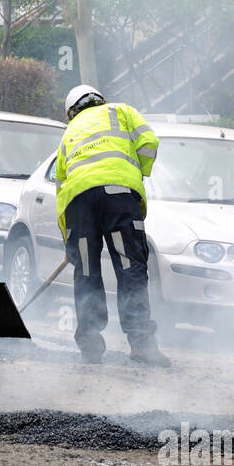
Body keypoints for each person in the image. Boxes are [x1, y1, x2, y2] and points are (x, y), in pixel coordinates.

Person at [55, 84, 169, 367]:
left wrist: (69, 241)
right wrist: (135, 173)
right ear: (100, 99)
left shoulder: (68, 133)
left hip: (78, 203)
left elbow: (61, 186)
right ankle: (142, 343)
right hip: (119, 196)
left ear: (72, 112)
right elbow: (149, 144)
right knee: (131, 267)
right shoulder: (122, 111)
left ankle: (91, 347)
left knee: (87, 270)